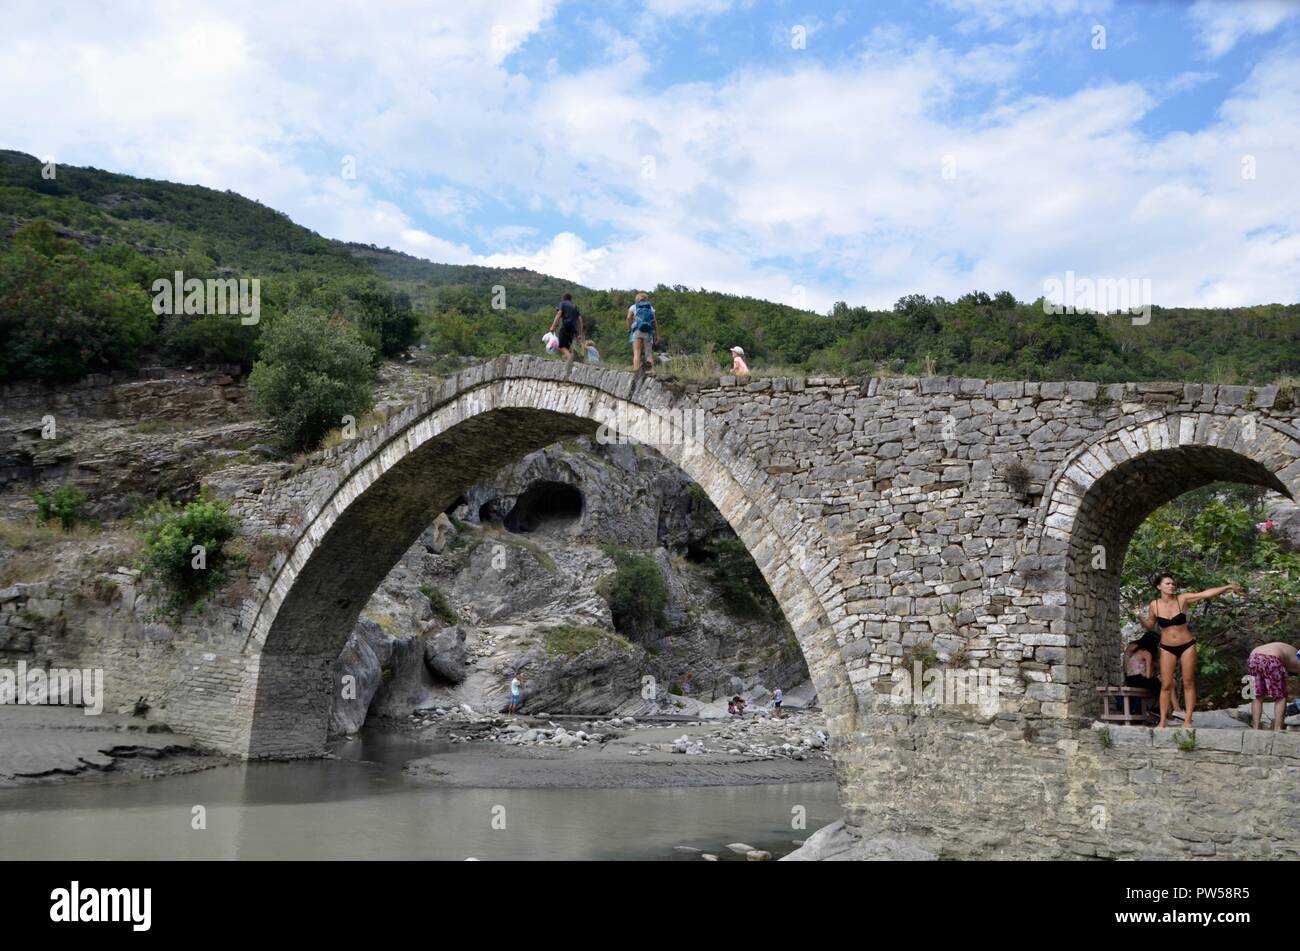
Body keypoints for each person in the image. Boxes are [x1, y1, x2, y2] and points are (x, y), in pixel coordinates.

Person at [1134, 572, 1244, 728]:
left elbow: (1205, 594)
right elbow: (1150, 626)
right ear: (1159, 586)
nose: (1171, 586)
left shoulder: (1182, 599)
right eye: (1167, 583)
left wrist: (1228, 587)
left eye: (1173, 583)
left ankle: (1187, 720)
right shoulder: (1154, 605)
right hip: (1166, 647)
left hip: (1187, 644)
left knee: (1188, 682)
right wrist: (1139, 617)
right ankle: (1162, 721)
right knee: (1166, 685)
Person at [1247, 642, 1300, 730]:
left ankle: (1256, 727)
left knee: (1257, 695)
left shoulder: (1292, 652)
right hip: (1272, 658)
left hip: (1253, 657)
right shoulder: (1297, 659)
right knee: (1281, 696)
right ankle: (1278, 728)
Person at [626, 292, 657, 372]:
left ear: (637, 299)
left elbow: (629, 318)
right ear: (646, 299)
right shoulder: (650, 308)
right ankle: (651, 372)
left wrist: (628, 329)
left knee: (637, 353)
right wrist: (657, 335)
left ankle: (636, 371)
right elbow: (654, 322)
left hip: (637, 331)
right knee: (648, 354)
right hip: (648, 332)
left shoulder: (633, 306)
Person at [548, 293, 583, 362]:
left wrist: (553, 327)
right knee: (566, 347)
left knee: (561, 346)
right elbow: (580, 320)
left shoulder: (563, 304)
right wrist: (580, 333)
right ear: (570, 299)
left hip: (565, 326)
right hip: (573, 329)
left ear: (564, 298)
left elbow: (559, 314)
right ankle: (570, 358)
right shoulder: (575, 306)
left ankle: (571, 359)